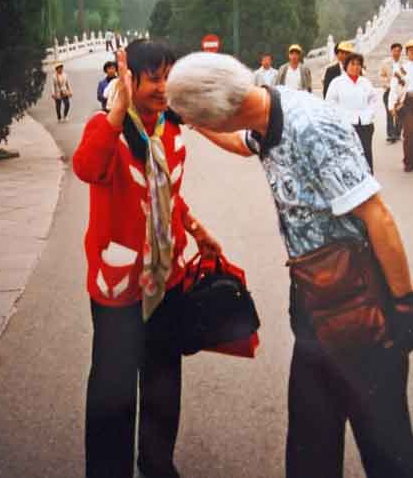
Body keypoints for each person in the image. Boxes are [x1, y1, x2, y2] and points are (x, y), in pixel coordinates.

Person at [166, 51, 413, 478]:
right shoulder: (264, 114)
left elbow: (378, 216)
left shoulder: (310, 125)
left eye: (204, 119)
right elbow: (240, 144)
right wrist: (195, 123)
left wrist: (406, 308)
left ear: (225, 109)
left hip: (362, 311)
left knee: (387, 451)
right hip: (314, 310)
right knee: (310, 452)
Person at [73, 40, 221, 478]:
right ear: (130, 80)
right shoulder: (107, 132)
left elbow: (169, 197)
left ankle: (157, 463)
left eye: (168, 77)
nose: (163, 86)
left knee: (162, 383)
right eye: (154, 77)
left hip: (166, 280)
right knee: (114, 389)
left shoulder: (170, 133)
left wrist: (196, 230)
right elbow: (86, 167)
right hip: (119, 287)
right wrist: (117, 112)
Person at [326, 52, 377, 173]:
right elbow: (330, 102)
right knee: (348, 156)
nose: (355, 67)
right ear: (346, 65)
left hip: (364, 123)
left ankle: (368, 183)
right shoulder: (337, 82)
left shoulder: (365, 82)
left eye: (358, 64)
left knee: (366, 154)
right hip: (346, 124)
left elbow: (373, 100)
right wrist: (340, 117)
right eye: (352, 64)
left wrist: (369, 114)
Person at [389, 39, 413, 172]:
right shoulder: (403, 68)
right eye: (411, 50)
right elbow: (395, 86)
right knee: (409, 133)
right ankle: (408, 161)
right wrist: (392, 104)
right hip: (408, 102)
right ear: (407, 52)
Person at [380, 42, 403, 143]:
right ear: (391, 51)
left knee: (400, 113)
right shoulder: (385, 63)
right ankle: (391, 134)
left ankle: (397, 133)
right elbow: (382, 75)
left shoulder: (404, 63)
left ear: (401, 52)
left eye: (398, 51)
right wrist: (387, 84)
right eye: (394, 51)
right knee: (389, 113)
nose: (396, 53)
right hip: (389, 91)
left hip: (400, 92)